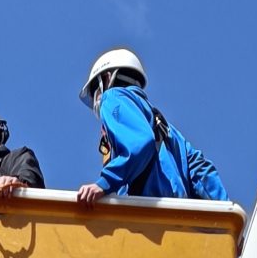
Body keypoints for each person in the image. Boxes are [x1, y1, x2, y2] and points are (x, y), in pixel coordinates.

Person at [75, 48, 228, 205]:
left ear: (106, 79)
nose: (98, 99)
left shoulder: (113, 97)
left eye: (96, 91)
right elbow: (201, 170)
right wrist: (223, 213)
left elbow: (139, 144)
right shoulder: (166, 128)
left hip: (147, 215)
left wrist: (104, 183)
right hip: (179, 216)